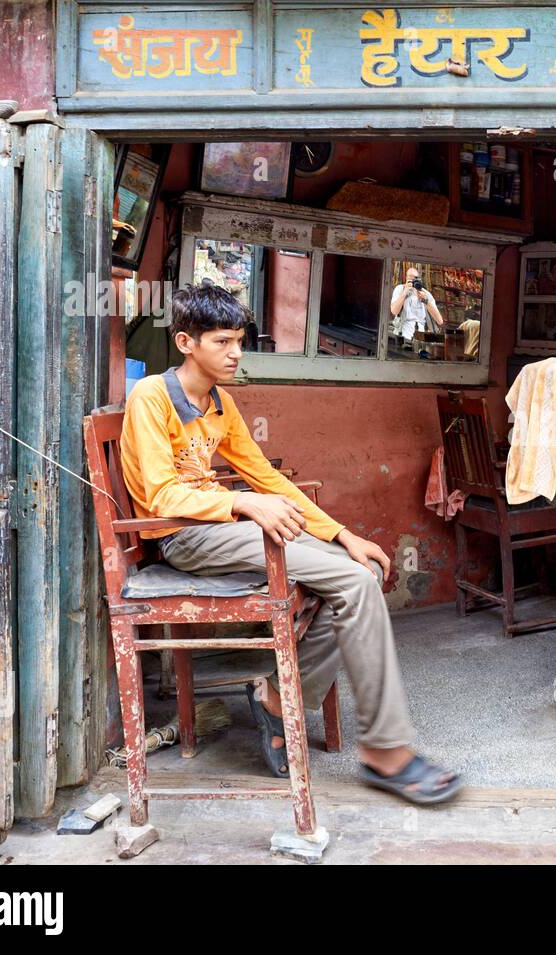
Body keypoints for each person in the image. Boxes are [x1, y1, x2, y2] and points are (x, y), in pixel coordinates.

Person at [119, 283, 462, 803]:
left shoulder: (219, 403)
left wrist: (344, 534)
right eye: (222, 342)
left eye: (240, 341)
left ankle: (279, 698)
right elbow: (162, 493)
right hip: (183, 537)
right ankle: (387, 752)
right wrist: (240, 505)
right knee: (352, 580)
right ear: (186, 342)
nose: (236, 353)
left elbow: (268, 479)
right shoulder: (151, 397)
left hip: (223, 528)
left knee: (360, 572)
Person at [389, 266, 443, 343]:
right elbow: (394, 311)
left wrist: (426, 301)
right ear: (406, 278)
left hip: (420, 336)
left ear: (419, 279)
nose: (413, 280)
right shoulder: (400, 289)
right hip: (402, 334)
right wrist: (404, 293)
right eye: (410, 277)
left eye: (415, 278)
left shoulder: (426, 294)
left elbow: (439, 321)